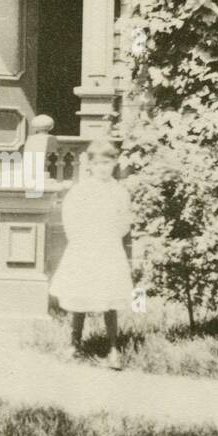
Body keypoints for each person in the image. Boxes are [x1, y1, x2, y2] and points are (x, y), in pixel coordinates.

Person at [49, 139, 134, 370]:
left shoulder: (119, 191)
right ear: (90, 165)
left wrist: (110, 236)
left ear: (115, 163)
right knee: (80, 293)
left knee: (110, 295)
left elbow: (124, 221)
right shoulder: (81, 190)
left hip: (108, 247)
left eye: (108, 163)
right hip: (84, 246)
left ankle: (113, 348)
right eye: (98, 164)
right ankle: (74, 344)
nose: (103, 168)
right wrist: (80, 238)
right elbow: (70, 216)